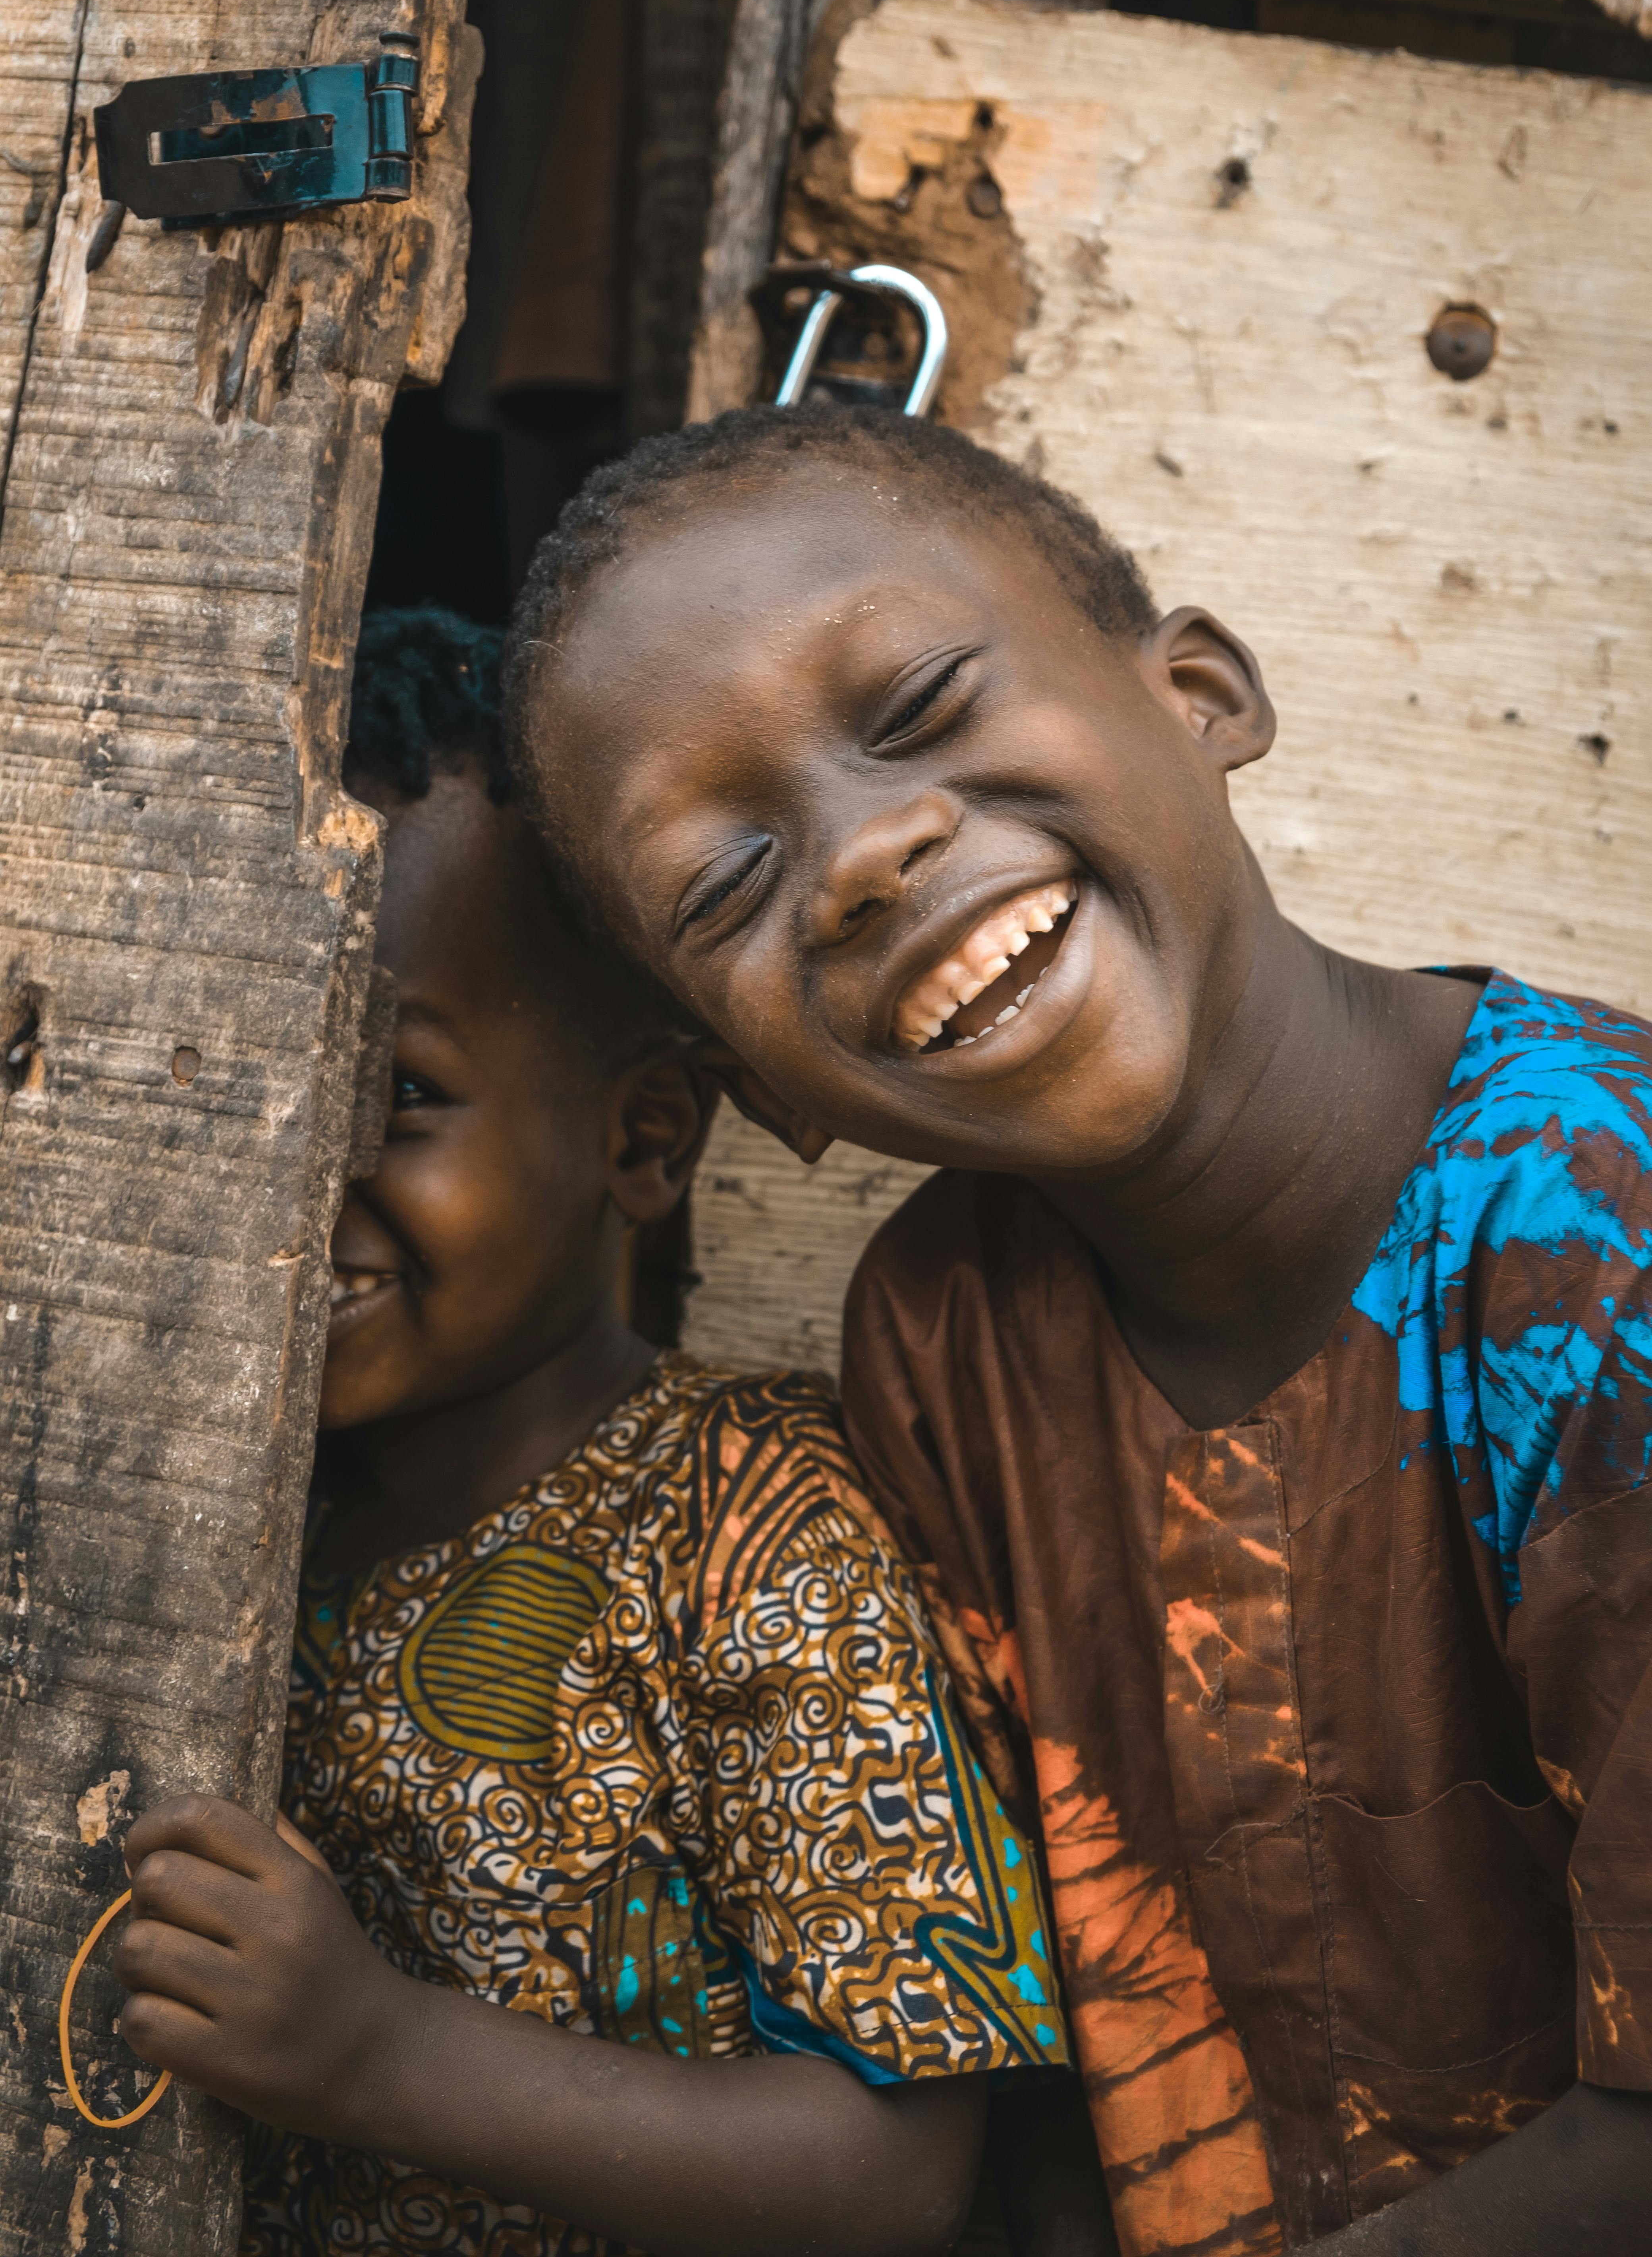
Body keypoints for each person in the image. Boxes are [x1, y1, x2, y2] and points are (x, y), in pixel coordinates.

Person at [499, 406, 1652, 2257]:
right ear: (754, 1096)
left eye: (920, 704)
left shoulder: (1592, 1231)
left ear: (1197, 694)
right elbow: (1061, 2079)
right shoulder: (950, 1345)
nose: (866, 858)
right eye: (726, 885)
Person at [112, 605, 1071, 2257]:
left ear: (640, 1138)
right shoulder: (177, 1532)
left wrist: (375, 2053)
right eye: (219, 1085)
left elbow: (900, 2167)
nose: (288, 1168)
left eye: (391, 1095)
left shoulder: (748, 1517)